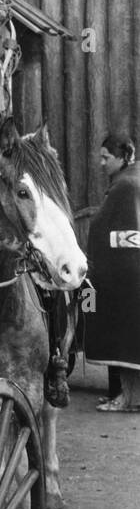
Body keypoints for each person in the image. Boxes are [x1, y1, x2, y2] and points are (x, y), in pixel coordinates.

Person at [87, 132, 140, 411]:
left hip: (126, 276)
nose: (101, 162)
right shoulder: (129, 179)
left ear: (123, 157)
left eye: (106, 157)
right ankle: (120, 394)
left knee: (124, 337)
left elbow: (112, 230)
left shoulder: (126, 186)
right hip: (126, 273)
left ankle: (128, 400)